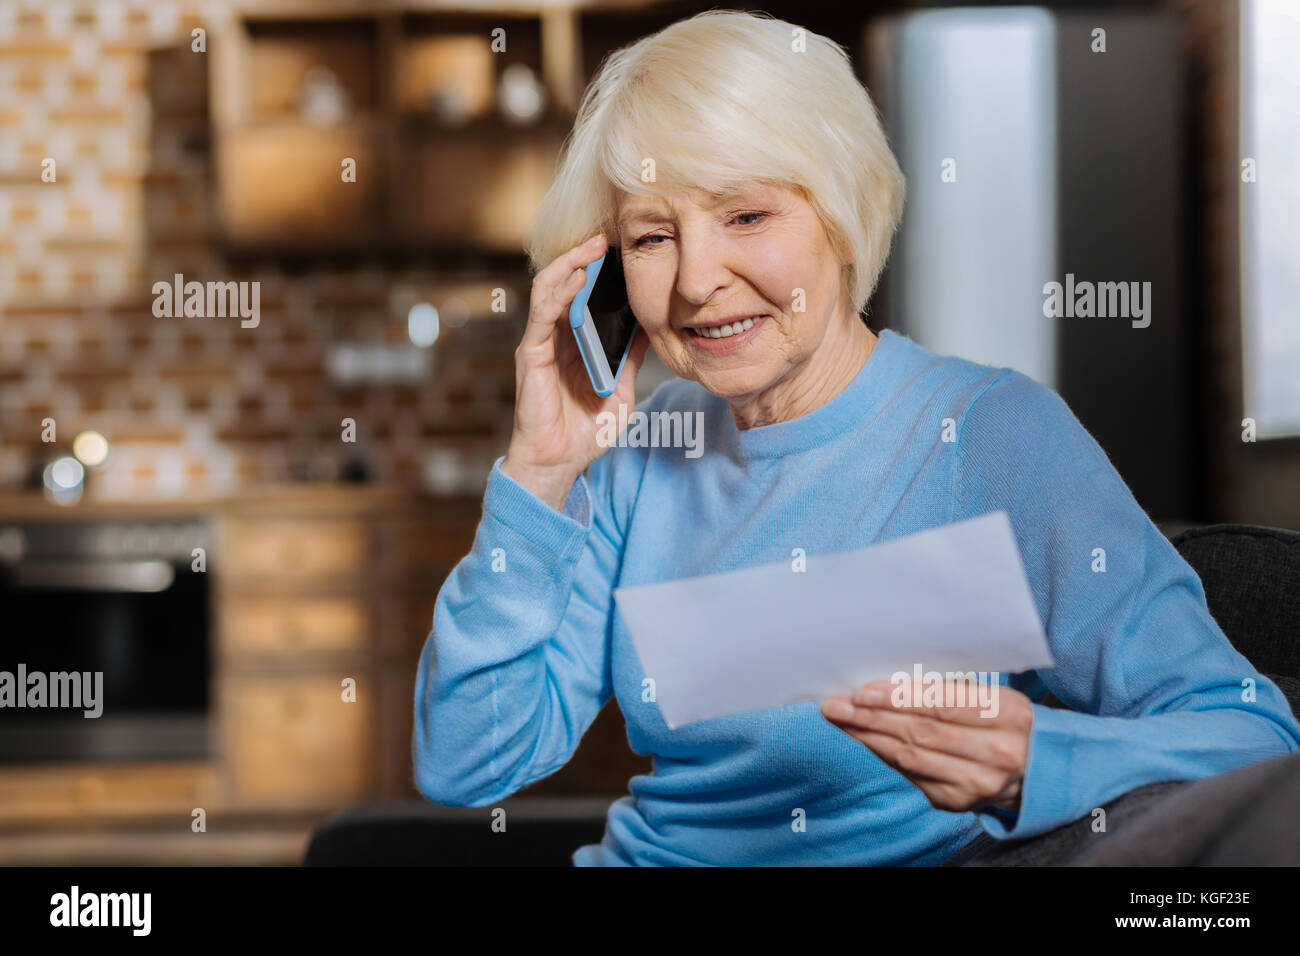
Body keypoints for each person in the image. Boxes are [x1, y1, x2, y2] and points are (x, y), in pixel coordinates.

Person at [412, 10, 1300, 866]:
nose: (696, 282)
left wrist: (1042, 766)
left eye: (747, 217)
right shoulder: (650, 455)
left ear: (841, 215)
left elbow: (1249, 734)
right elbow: (469, 763)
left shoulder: (992, 437)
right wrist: (542, 474)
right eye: (652, 236)